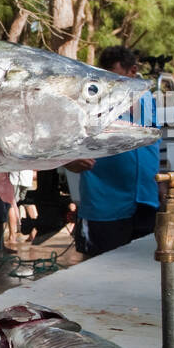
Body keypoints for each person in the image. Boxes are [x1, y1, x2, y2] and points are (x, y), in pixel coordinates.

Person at [63, 46, 159, 257]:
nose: (106, 82)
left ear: (133, 71)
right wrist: (69, 160)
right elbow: (62, 142)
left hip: (145, 201)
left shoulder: (148, 99)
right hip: (104, 206)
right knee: (102, 273)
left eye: (113, 76)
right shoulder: (88, 101)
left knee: (145, 272)